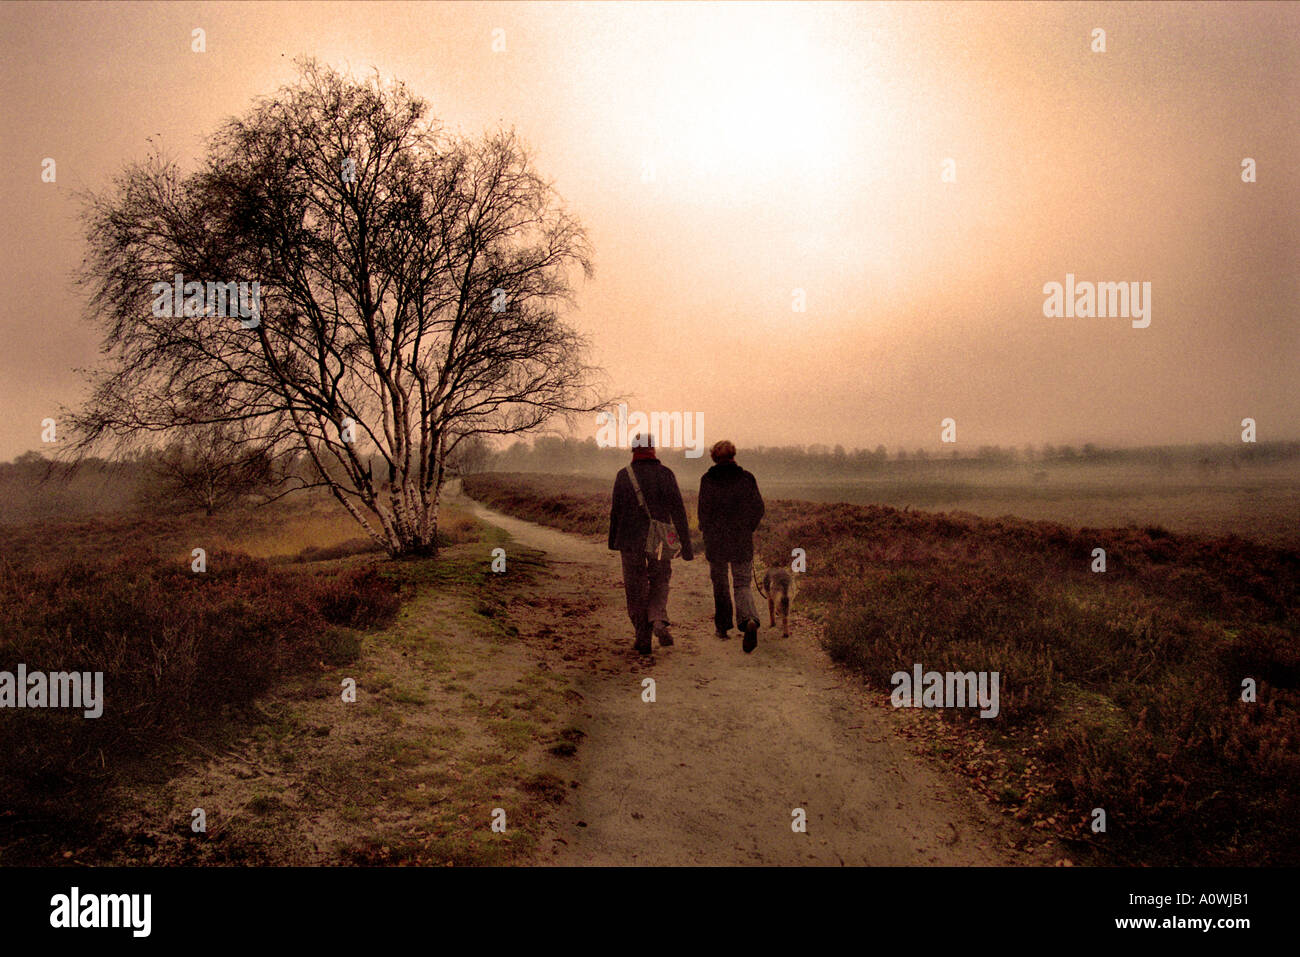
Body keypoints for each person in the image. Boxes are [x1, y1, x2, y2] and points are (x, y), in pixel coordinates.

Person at [608, 434, 694, 655]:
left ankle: (642, 636)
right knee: (660, 579)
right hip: (659, 538)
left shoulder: (623, 475)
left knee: (635, 586)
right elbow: (678, 512)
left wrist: (613, 541)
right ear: (653, 450)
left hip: (629, 538)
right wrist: (686, 545)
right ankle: (657, 617)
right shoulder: (665, 474)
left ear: (633, 450)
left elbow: (615, 511)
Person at [697, 439, 765, 653]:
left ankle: (723, 626)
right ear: (734, 455)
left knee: (720, 583)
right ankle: (748, 620)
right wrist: (748, 528)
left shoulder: (707, 480)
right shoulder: (747, 478)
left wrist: (706, 531)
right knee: (742, 583)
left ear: (714, 457)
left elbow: (703, 512)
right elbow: (759, 508)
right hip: (741, 539)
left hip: (716, 541)